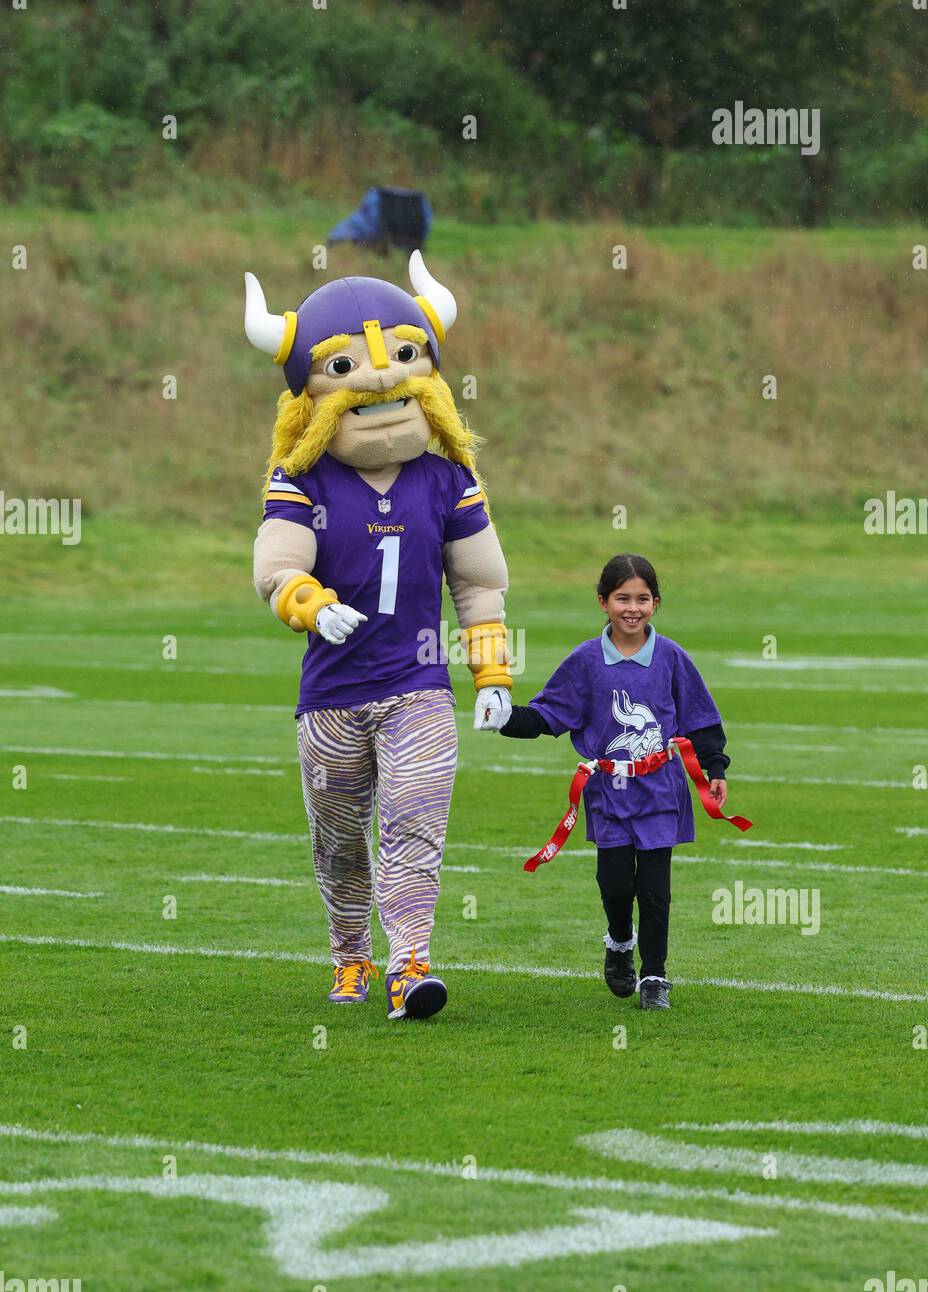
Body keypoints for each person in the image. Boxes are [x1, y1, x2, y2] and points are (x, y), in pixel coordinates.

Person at [245, 253, 513, 1020]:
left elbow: (478, 582)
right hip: (331, 695)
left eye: (403, 358)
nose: (380, 384)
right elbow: (278, 562)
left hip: (418, 686)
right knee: (338, 841)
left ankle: (411, 963)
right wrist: (305, 599)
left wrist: (491, 676)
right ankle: (350, 953)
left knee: (414, 823)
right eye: (349, 369)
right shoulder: (301, 478)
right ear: (311, 394)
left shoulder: (449, 479)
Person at [478, 554, 732, 1010]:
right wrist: (504, 718)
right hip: (609, 794)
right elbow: (549, 714)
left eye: (642, 599)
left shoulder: (672, 657)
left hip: (659, 790)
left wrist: (716, 769)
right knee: (616, 886)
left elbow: (701, 717)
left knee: (655, 890)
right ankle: (619, 945)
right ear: (603, 601)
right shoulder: (585, 661)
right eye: (622, 598)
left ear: (656, 603)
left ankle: (655, 976)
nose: (632, 608)